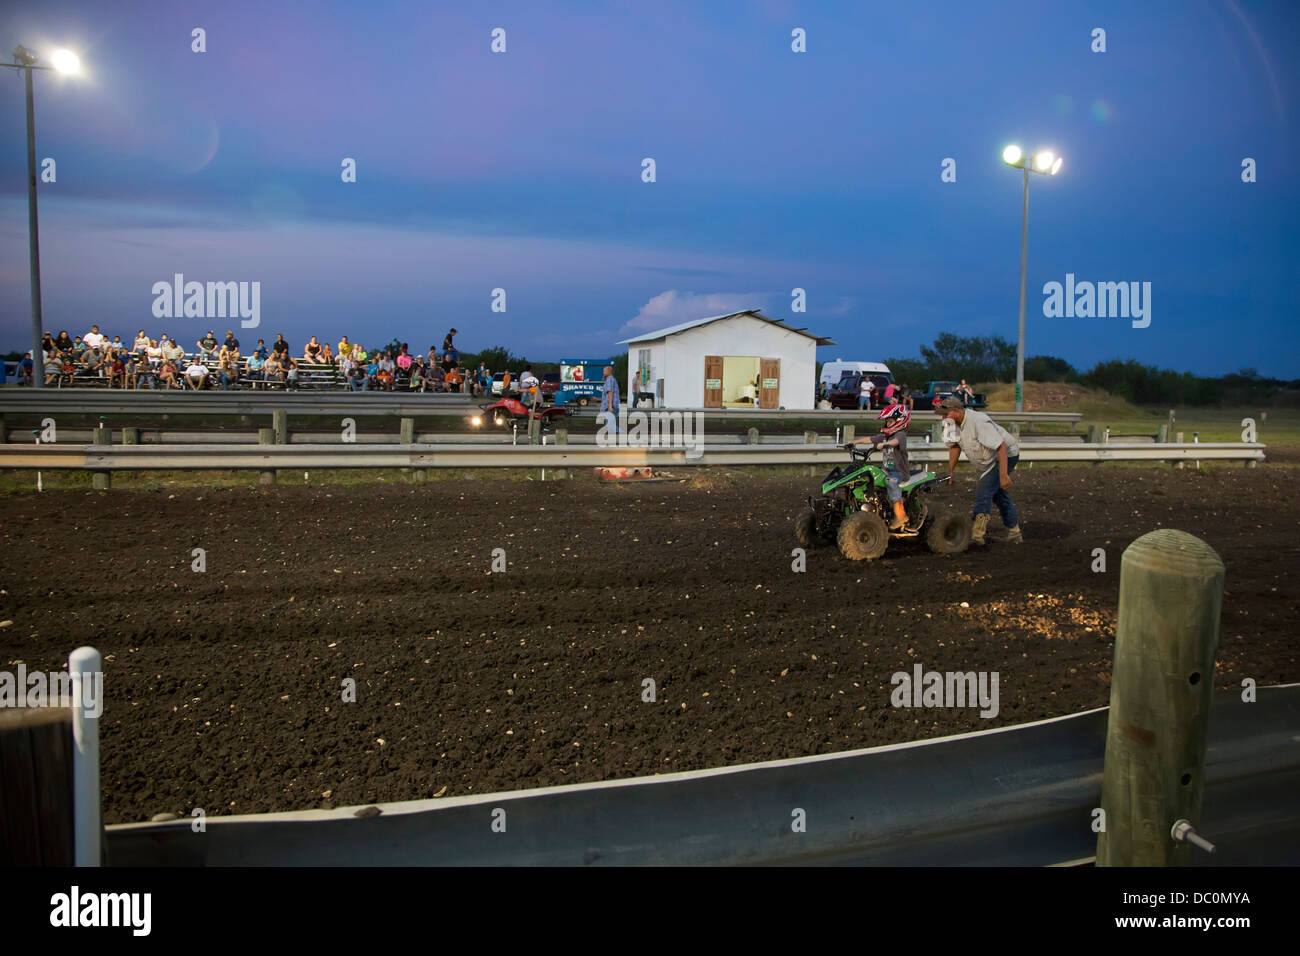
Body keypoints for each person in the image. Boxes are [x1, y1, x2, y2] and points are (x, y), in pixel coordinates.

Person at [939, 396, 1022, 546]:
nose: (943, 417)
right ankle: (1014, 532)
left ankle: (976, 535)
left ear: (957, 411)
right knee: (998, 495)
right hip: (992, 459)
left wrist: (1003, 474)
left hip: (1005, 455)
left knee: (984, 490)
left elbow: (1001, 446)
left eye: (946, 414)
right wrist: (950, 471)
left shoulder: (978, 422)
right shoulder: (951, 425)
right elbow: (955, 446)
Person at [850, 403, 913, 530]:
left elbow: (895, 443)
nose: (888, 424)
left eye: (890, 421)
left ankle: (901, 515)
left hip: (899, 472)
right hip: (887, 469)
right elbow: (871, 439)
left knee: (890, 482)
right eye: (887, 421)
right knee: (870, 476)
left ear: (900, 421)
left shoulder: (900, 435)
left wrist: (884, 445)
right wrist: (854, 442)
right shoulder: (885, 435)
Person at [600, 364, 620, 432]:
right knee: (610, 424)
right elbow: (607, 395)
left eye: (604, 371)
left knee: (610, 425)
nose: (603, 373)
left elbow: (610, 392)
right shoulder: (610, 379)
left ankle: (622, 435)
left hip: (611, 406)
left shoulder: (610, 379)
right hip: (611, 405)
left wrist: (610, 406)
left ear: (609, 371)